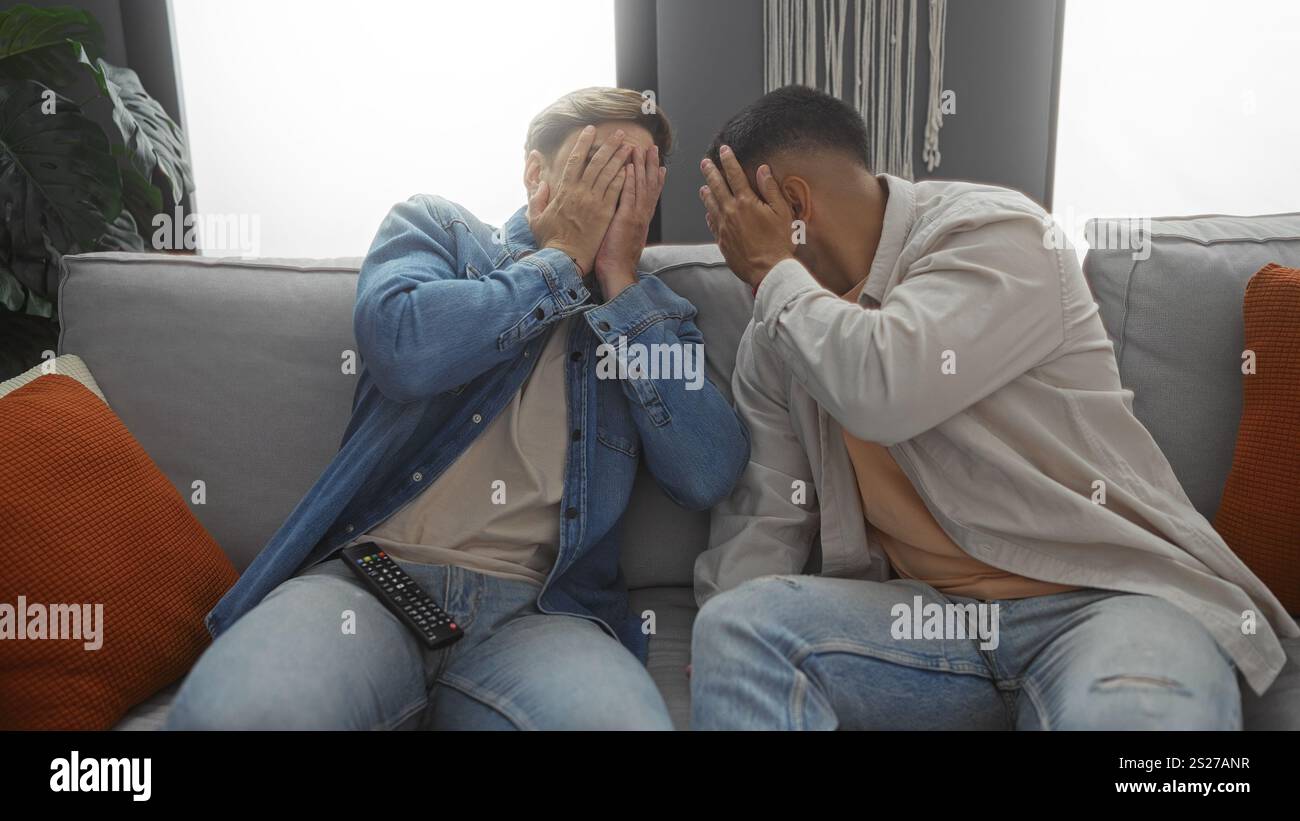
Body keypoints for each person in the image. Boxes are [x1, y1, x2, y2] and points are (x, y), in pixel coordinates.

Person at [689, 85, 1297, 730]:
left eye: (732, 225)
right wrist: (722, 626)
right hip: (929, 621)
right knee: (738, 624)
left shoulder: (994, 234)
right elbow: (772, 507)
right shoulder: (777, 335)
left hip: (1107, 599)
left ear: (791, 202)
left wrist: (772, 270)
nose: (732, 255)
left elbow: (884, 387)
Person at [166, 87, 749, 730]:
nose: (617, 188)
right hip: (369, 587)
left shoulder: (654, 316)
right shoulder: (438, 231)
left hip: (539, 617)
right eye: (598, 165)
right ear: (535, 172)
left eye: (638, 176)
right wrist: (561, 263)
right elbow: (405, 350)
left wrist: (618, 285)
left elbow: (707, 473)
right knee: (244, 716)